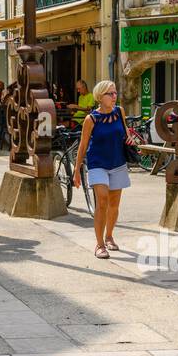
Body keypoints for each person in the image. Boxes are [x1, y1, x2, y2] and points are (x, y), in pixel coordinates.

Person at [74, 81, 131, 258]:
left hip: (118, 162)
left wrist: (129, 139)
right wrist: (77, 170)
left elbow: (125, 133)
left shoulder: (119, 112)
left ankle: (109, 236)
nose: (114, 97)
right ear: (100, 96)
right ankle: (99, 245)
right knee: (103, 201)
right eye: (110, 94)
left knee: (114, 204)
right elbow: (83, 146)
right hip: (97, 164)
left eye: (115, 93)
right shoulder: (91, 119)